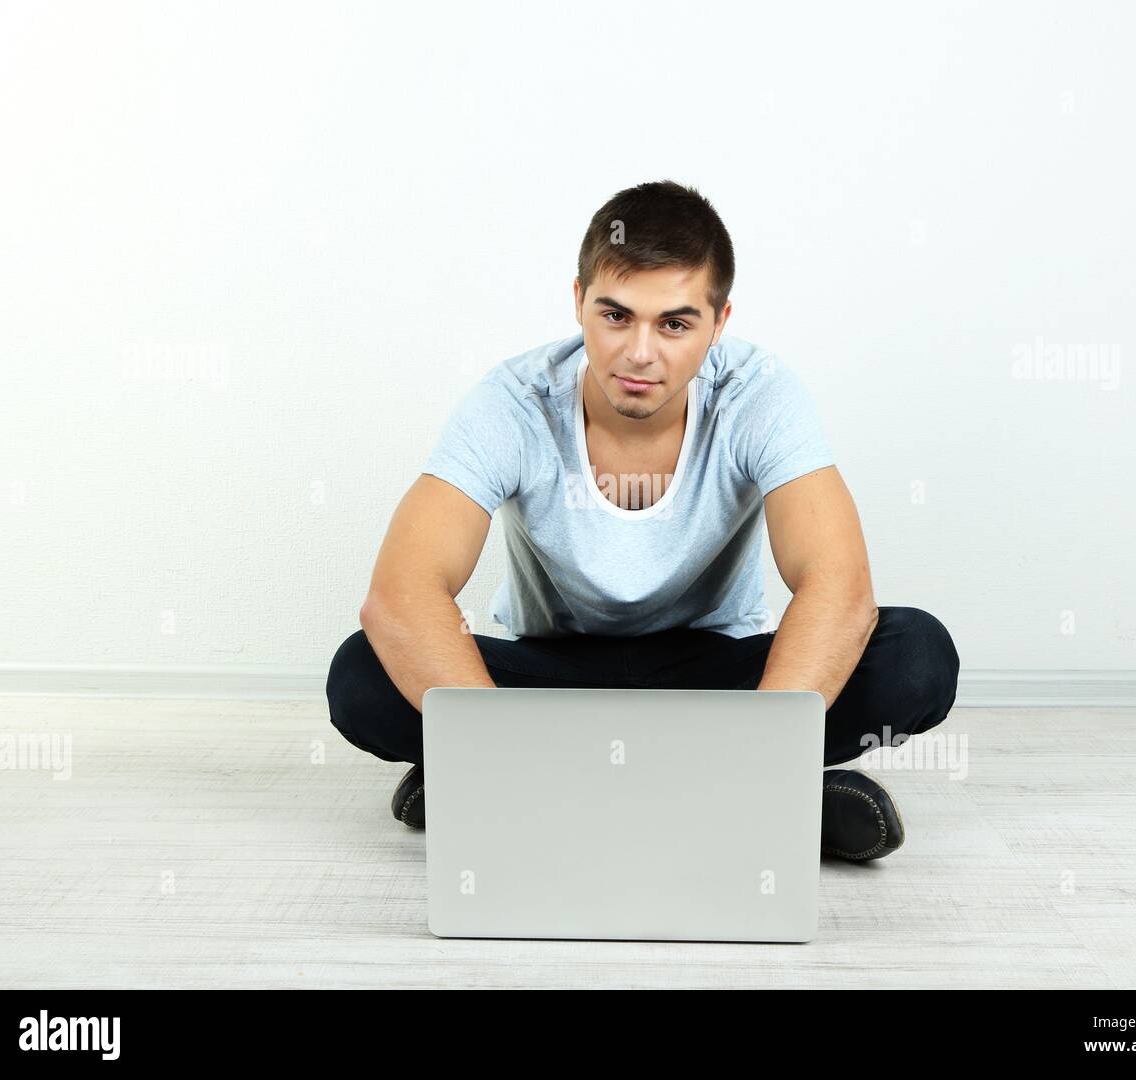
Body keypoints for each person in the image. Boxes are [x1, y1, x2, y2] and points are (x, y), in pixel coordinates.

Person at [327, 179, 959, 861]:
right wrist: (496, 746)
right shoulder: (512, 401)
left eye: (676, 324)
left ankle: (511, 790)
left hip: (715, 676)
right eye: (616, 315)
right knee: (362, 677)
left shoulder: (761, 394)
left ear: (719, 324)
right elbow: (400, 595)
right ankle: (748, 800)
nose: (639, 353)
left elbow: (838, 586)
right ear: (578, 302)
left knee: (915, 655)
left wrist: (765, 745)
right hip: (554, 680)